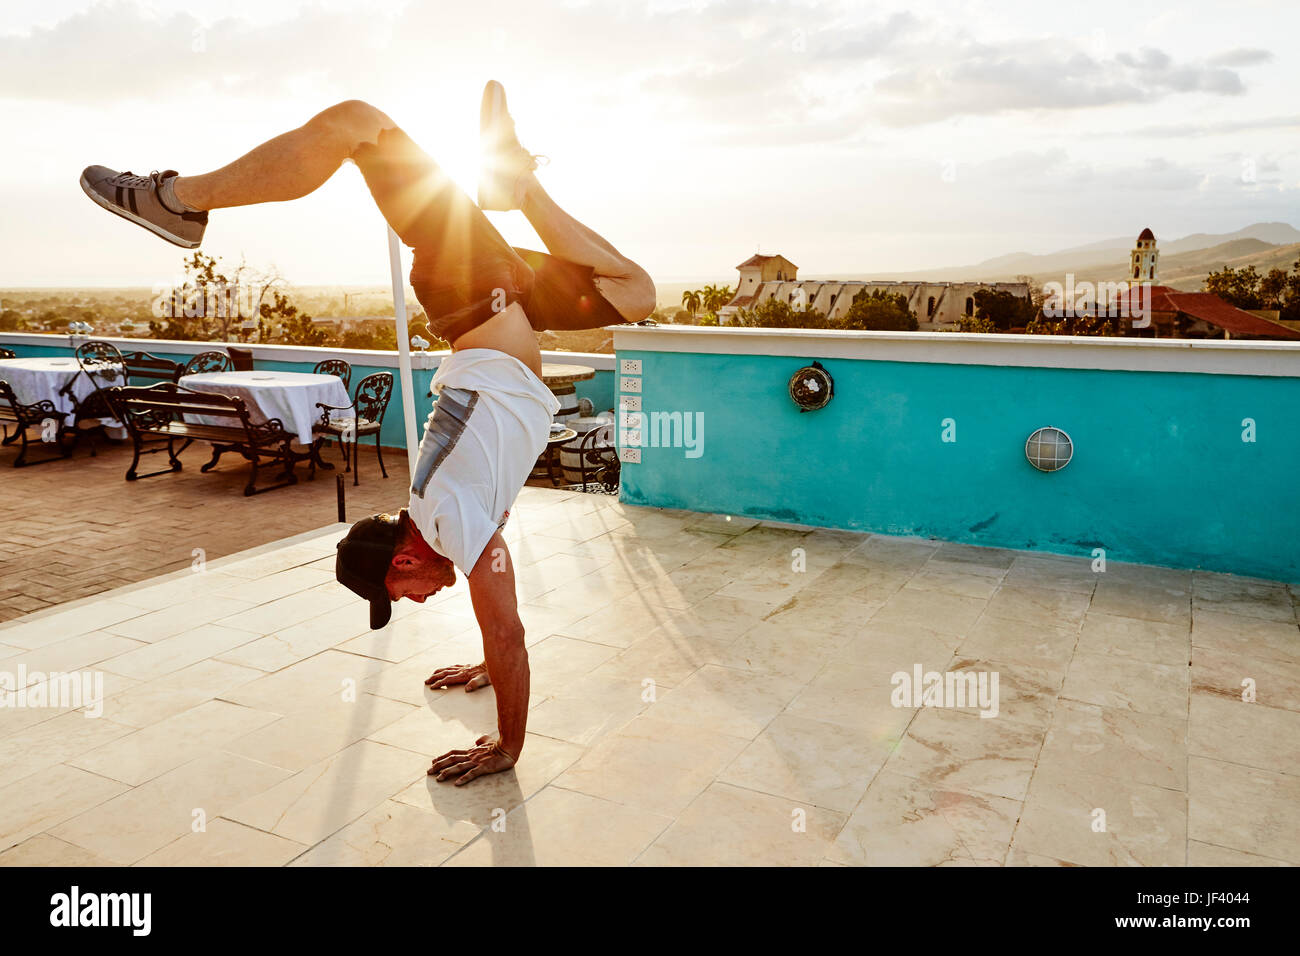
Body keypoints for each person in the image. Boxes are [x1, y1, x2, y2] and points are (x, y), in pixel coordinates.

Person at [81, 81, 655, 785]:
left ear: (405, 561)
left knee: (358, 125)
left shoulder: (446, 518)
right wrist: (485, 664)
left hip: (470, 288)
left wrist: (507, 746)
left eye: (399, 593)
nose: (416, 602)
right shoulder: (450, 518)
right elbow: (497, 619)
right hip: (506, 305)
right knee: (635, 292)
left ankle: (175, 200)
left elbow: (508, 630)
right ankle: (516, 179)